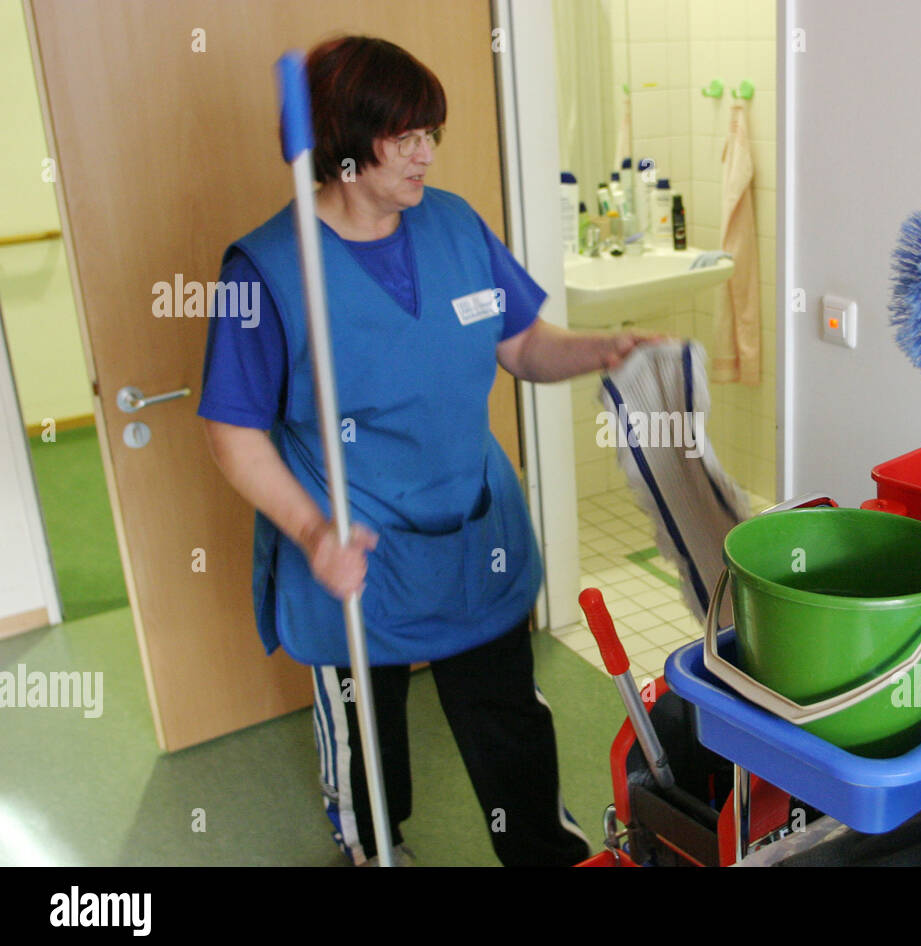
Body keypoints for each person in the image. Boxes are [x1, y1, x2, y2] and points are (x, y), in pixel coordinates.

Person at [197, 35, 656, 866]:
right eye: (405, 138)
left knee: (510, 719)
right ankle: (376, 848)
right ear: (341, 144)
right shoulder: (265, 270)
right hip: (350, 544)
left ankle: (545, 855)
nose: (427, 155)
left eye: (431, 133)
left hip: (470, 530)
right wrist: (311, 534)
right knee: (367, 736)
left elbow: (521, 346)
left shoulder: (452, 224)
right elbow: (232, 433)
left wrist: (597, 349)